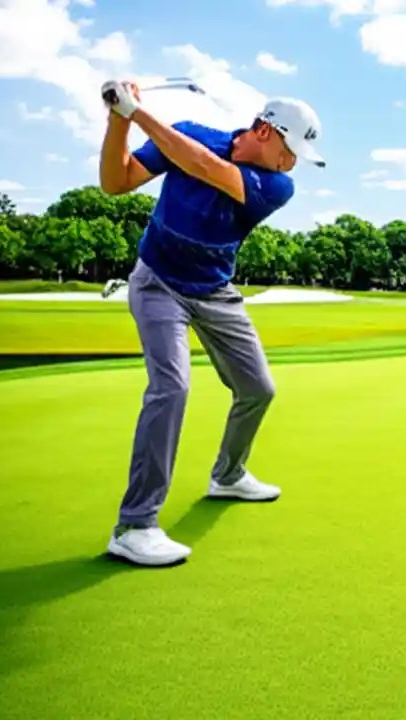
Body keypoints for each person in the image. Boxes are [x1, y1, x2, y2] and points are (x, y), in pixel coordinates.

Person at [97, 79, 325, 566]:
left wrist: (138, 114)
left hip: (217, 293)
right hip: (158, 283)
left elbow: (203, 165)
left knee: (258, 388)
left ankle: (227, 475)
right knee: (171, 388)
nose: (293, 163)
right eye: (290, 150)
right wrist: (118, 119)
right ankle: (135, 525)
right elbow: (115, 183)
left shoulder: (278, 186)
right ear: (265, 131)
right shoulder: (188, 131)